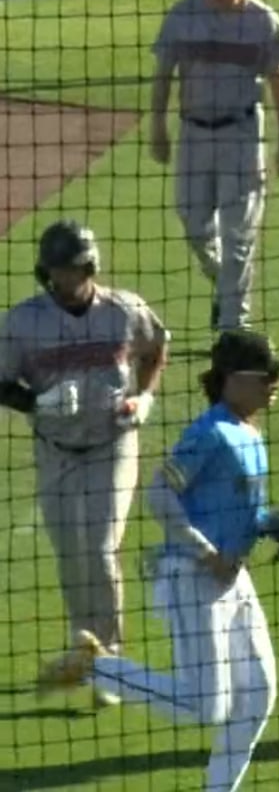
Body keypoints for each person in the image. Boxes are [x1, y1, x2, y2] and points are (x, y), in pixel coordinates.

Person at [37, 329, 279, 792]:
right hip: (191, 577)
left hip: (233, 581)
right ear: (233, 379)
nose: (275, 383)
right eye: (266, 375)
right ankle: (94, 665)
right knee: (205, 705)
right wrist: (204, 549)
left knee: (257, 695)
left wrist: (269, 521)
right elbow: (159, 493)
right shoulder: (210, 433)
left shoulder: (249, 432)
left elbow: (236, 508)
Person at [0, 220, 169, 709]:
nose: (63, 279)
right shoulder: (23, 323)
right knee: (70, 555)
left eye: (70, 270)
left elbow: (156, 348)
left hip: (111, 447)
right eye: (55, 271)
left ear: (88, 267)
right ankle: (86, 647)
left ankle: (111, 661)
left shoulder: (123, 309)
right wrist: (37, 404)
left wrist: (144, 396)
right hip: (54, 453)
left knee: (98, 549)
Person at [150, 0, 279, 332]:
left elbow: (278, 77)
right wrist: (157, 125)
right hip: (194, 133)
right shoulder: (182, 17)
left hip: (242, 134)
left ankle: (234, 326)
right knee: (193, 221)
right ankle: (225, 285)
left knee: (239, 234)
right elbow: (164, 73)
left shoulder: (262, 20)